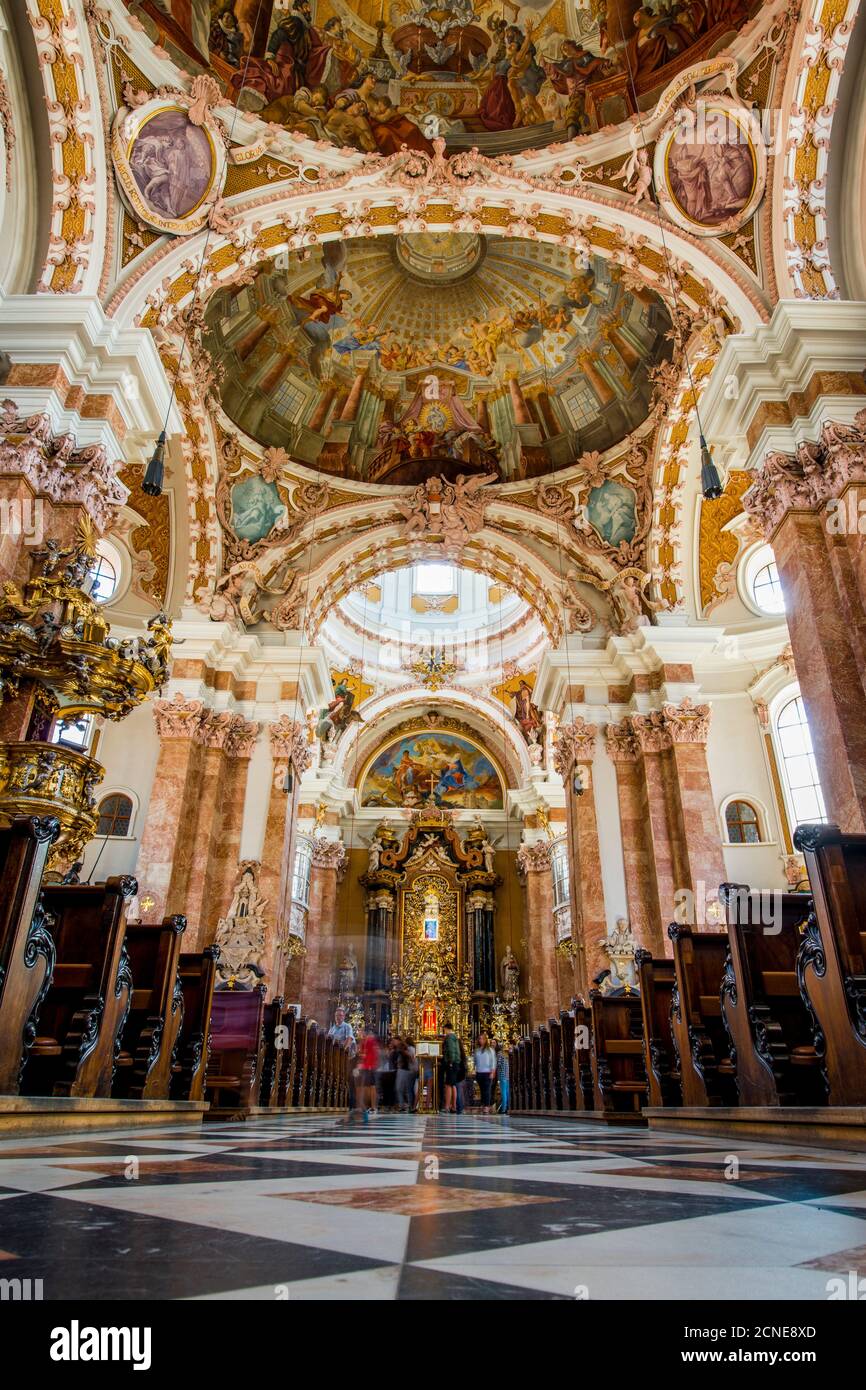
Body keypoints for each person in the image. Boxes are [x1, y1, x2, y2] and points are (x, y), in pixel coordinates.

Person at [357, 1027, 380, 1122]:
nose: (359, 1033)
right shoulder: (363, 1041)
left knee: (371, 1087)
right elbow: (362, 1054)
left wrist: (369, 1064)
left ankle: (374, 1107)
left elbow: (373, 1054)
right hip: (365, 1067)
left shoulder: (370, 1040)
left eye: (360, 1032)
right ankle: (366, 1106)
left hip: (370, 1067)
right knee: (365, 1087)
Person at [474, 1032, 496, 1114]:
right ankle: (484, 1104)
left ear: (486, 1040)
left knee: (487, 1090)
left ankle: (486, 1106)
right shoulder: (477, 1050)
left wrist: (492, 1071)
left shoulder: (490, 1050)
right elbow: (475, 1061)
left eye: (482, 1038)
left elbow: (493, 1061)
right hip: (479, 1072)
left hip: (487, 1072)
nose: (481, 1040)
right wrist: (474, 1069)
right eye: (479, 1038)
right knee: (482, 1090)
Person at [442, 1021, 460, 1113]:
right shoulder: (454, 1036)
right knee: (453, 1084)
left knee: (448, 1085)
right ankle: (453, 1106)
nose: (444, 1031)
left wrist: (450, 1062)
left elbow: (451, 1049)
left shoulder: (449, 1037)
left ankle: (447, 1106)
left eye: (444, 1029)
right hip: (455, 1063)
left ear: (446, 1028)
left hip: (452, 1063)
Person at [496, 1043, 510, 1114]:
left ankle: (504, 1109)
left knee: (503, 1093)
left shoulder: (499, 1054)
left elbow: (497, 1064)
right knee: (507, 1092)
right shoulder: (506, 1054)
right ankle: (508, 1107)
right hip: (507, 1076)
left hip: (502, 1075)